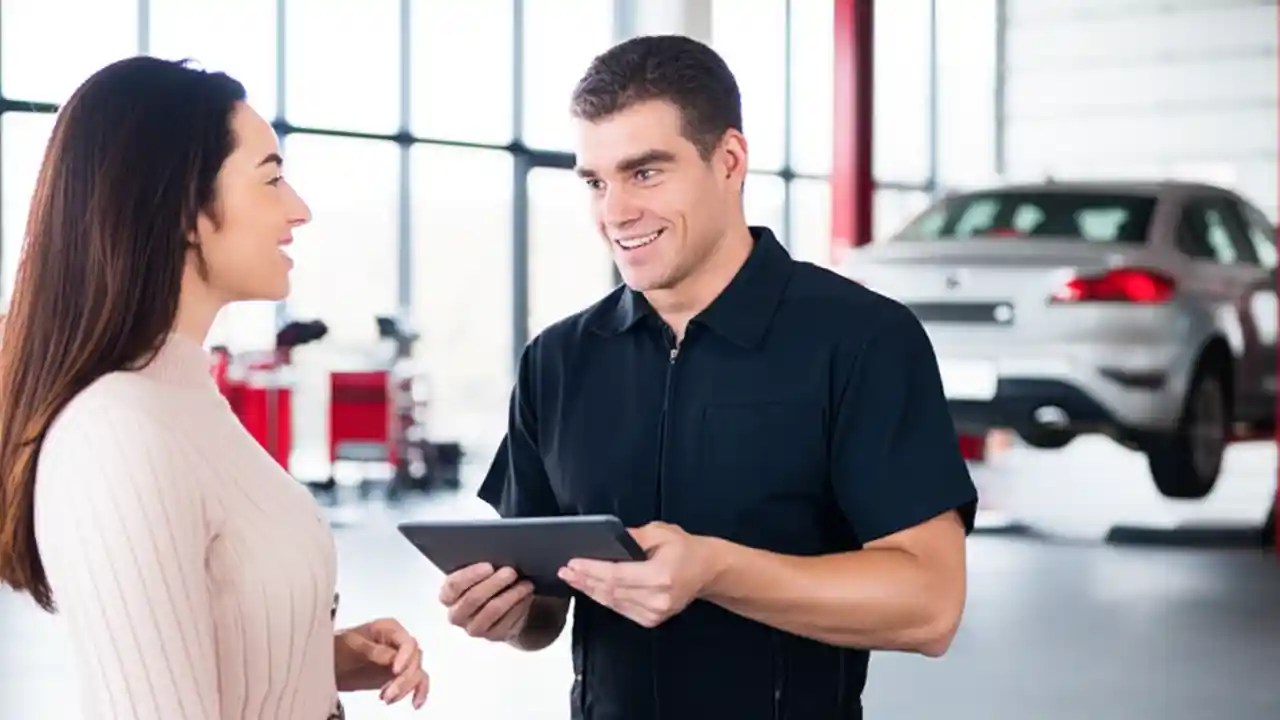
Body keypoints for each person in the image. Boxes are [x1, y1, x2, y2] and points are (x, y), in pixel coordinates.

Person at [438, 35, 978, 719]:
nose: (615, 212)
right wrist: (506, 612)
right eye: (596, 182)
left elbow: (929, 606)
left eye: (645, 173)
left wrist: (718, 570)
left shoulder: (863, 341)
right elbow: (545, 610)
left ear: (729, 161)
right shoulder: (558, 361)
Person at [0, 57, 429, 719]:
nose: (299, 208)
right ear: (182, 210)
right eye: (272, 179)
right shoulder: (116, 432)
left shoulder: (184, 398)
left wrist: (314, 658)